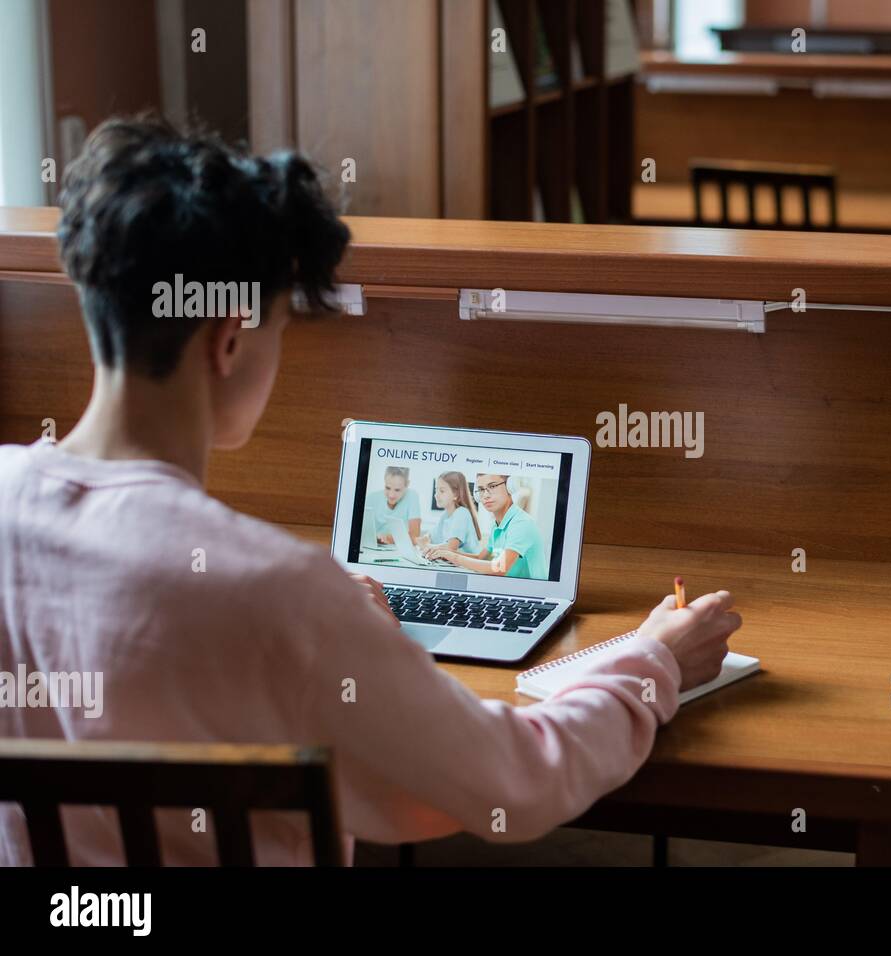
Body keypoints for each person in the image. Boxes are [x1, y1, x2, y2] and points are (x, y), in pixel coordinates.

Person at [0, 116, 741, 866]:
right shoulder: (274, 593)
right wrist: (655, 662)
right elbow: (515, 782)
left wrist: (330, 629)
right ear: (228, 338)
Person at [428, 474, 540, 578]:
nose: (485, 495)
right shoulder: (497, 525)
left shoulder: (522, 523)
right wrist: (446, 554)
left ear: (510, 486)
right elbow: (482, 558)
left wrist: (455, 557)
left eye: (493, 486)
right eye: (481, 489)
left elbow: (500, 568)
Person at [418, 471, 482, 558]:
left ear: (456, 494)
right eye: (436, 490)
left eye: (442, 491)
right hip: (455, 565)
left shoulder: (462, 513)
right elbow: (431, 535)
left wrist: (427, 546)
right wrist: (426, 538)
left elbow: (451, 547)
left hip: (470, 567)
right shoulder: (445, 515)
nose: (436, 495)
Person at [366, 465, 421, 545]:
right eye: (387, 488)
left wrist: (388, 538)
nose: (391, 495)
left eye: (397, 490)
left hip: (396, 549)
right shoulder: (371, 498)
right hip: (373, 546)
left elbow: (415, 537)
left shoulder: (412, 496)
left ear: (407, 484)